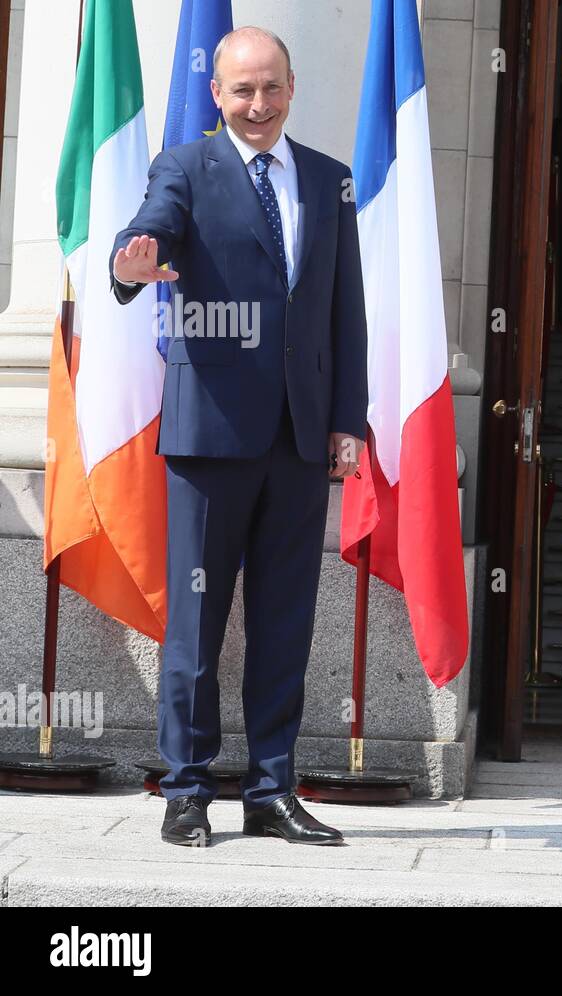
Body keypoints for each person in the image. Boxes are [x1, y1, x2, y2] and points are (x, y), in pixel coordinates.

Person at [110, 26, 367, 846]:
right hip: (210, 439)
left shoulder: (330, 181)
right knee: (196, 622)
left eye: (272, 88)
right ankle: (186, 789)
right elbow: (149, 228)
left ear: (293, 87)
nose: (259, 105)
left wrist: (346, 419)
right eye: (242, 91)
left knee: (285, 622)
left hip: (299, 440)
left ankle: (272, 790)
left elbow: (344, 312)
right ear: (216, 94)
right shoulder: (186, 167)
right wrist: (131, 264)